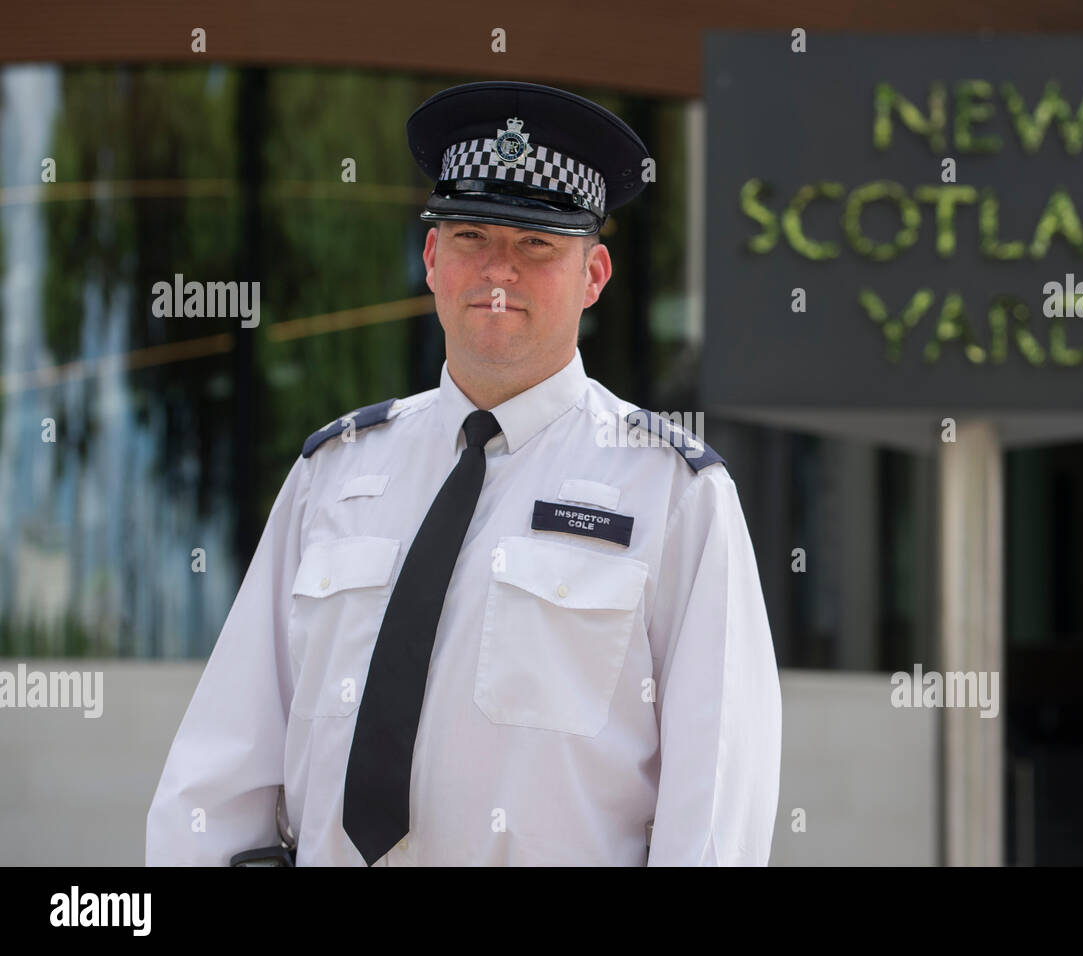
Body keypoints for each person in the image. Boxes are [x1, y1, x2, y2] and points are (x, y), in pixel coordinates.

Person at [145, 80, 782, 866]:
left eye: (537, 245)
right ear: (432, 259)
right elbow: (220, 771)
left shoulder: (675, 497)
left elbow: (715, 807)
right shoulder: (333, 477)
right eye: (473, 236)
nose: (499, 273)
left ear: (595, 276)